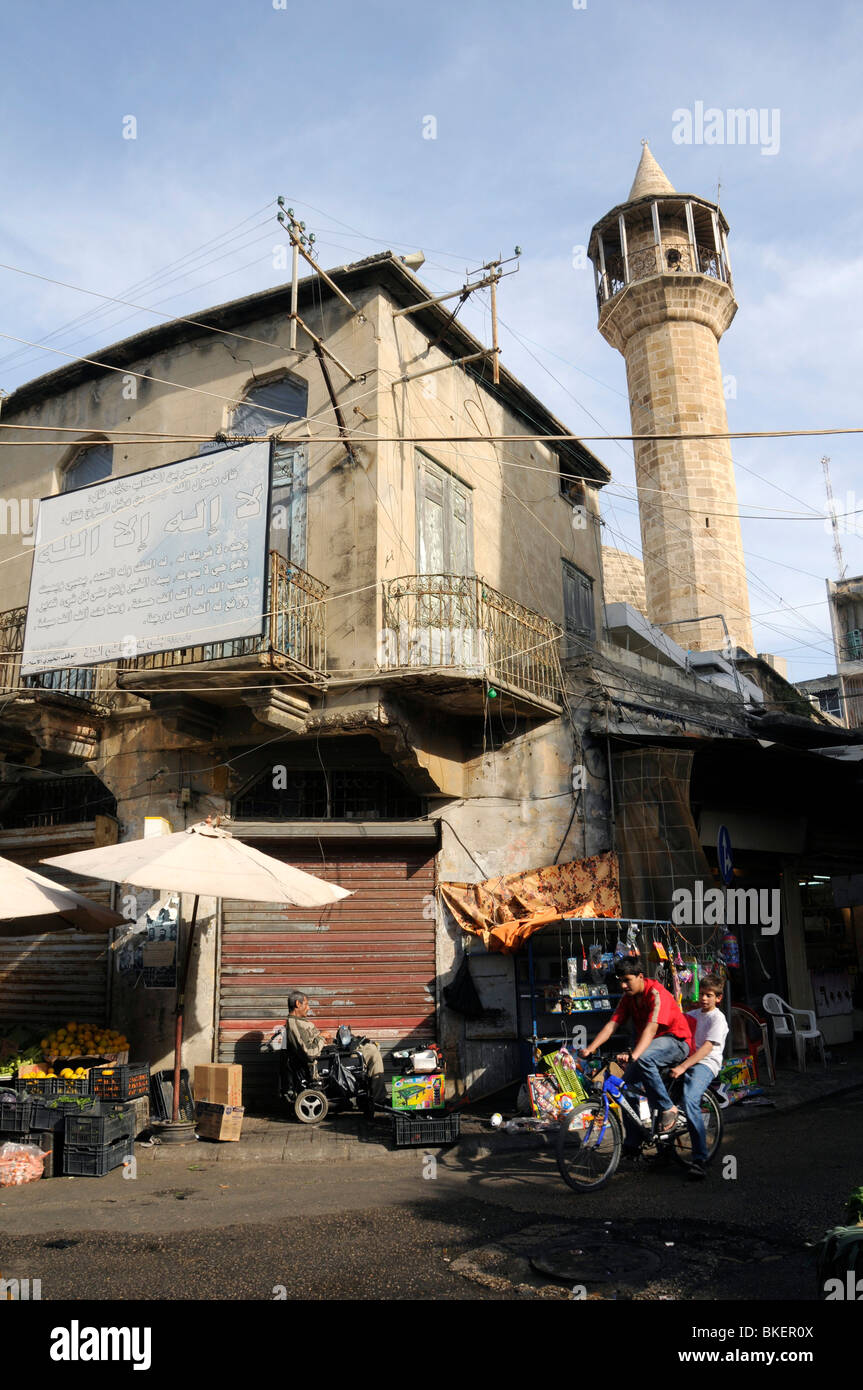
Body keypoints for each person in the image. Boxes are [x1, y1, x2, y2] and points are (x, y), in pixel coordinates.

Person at [580, 954, 691, 1157]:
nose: (623, 986)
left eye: (627, 980)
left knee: (645, 1059)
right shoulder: (628, 998)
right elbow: (612, 1024)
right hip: (649, 1048)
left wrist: (635, 1055)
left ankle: (669, 1109)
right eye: (620, 981)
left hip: (675, 1043)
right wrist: (590, 1048)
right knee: (625, 1089)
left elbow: (651, 1029)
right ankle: (634, 1142)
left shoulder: (656, 993)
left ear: (640, 976)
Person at [669, 974, 728, 1180]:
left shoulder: (718, 1019)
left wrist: (684, 1066)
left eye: (709, 995)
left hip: (705, 1064)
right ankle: (664, 1150)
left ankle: (700, 1158)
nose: (704, 998)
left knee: (690, 1099)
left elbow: (707, 1048)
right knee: (663, 1096)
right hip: (686, 1061)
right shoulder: (693, 1014)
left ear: (718, 998)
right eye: (702, 994)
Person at [286, 990, 386, 1103]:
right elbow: (310, 1052)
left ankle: (372, 1095)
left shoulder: (299, 1022)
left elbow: (309, 1042)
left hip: (330, 1051)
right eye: (306, 1004)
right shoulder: (294, 1024)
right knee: (372, 1052)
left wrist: (324, 1037)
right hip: (325, 1059)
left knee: (369, 1046)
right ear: (298, 1004)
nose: (308, 1008)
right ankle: (378, 1099)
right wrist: (321, 1037)